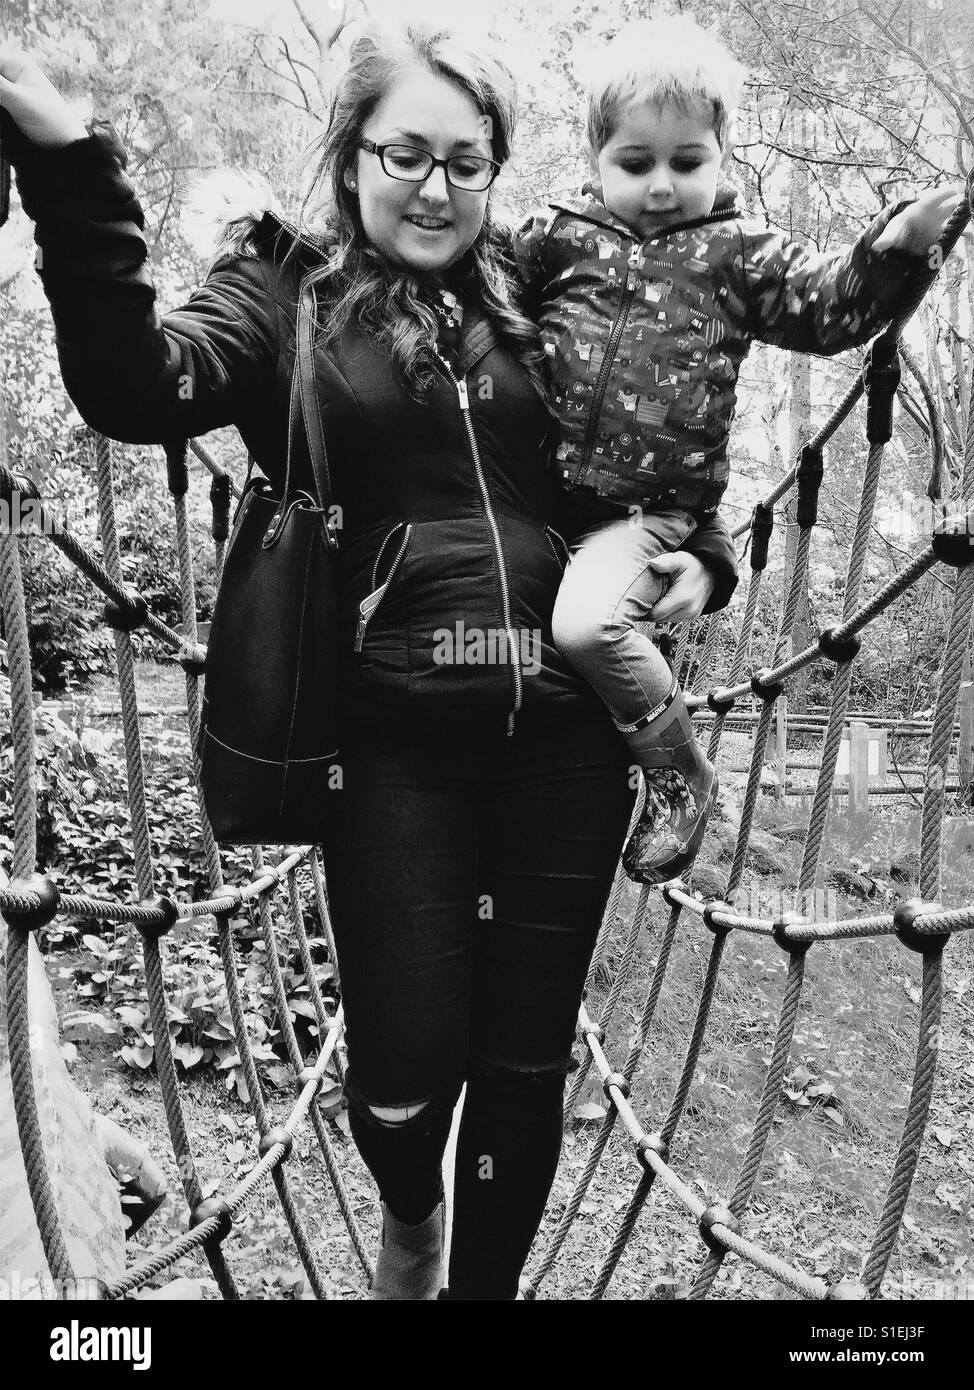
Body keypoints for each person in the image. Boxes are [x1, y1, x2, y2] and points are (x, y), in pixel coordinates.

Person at [0, 18, 739, 1301]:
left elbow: (651, 453)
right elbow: (134, 383)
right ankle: (409, 1215)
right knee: (404, 1068)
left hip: (566, 741)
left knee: (522, 1063)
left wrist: (705, 560)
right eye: (407, 154)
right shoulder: (284, 293)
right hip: (389, 745)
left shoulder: (546, 294)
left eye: (468, 160)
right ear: (352, 154)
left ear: (498, 167)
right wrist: (74, 167)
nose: (437, 188)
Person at [514, 14, 963, 887]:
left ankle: (679, 773)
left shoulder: (736, 252)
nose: (660, 185)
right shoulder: (556, 237)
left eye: (687, 161)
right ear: (595, 157)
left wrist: (892, 251)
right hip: (534, 505)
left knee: (585, 624)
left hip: (645, 517)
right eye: (635, 163)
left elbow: (825, 305)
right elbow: (468, 287)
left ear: (720, 154)